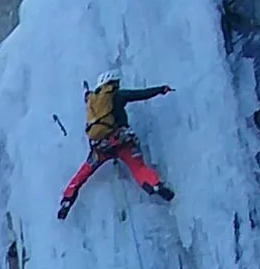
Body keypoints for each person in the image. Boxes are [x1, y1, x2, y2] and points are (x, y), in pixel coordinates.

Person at [57, 72, 175, 218]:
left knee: (83, 173)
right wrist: (160, 89)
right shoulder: (117, 95)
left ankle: (67, 200)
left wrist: (87, 93)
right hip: (122, 141)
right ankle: (154, 184)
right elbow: (139, 94)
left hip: (100, 147)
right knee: (138, 168)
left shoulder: (92, 100)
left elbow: (88, 104)